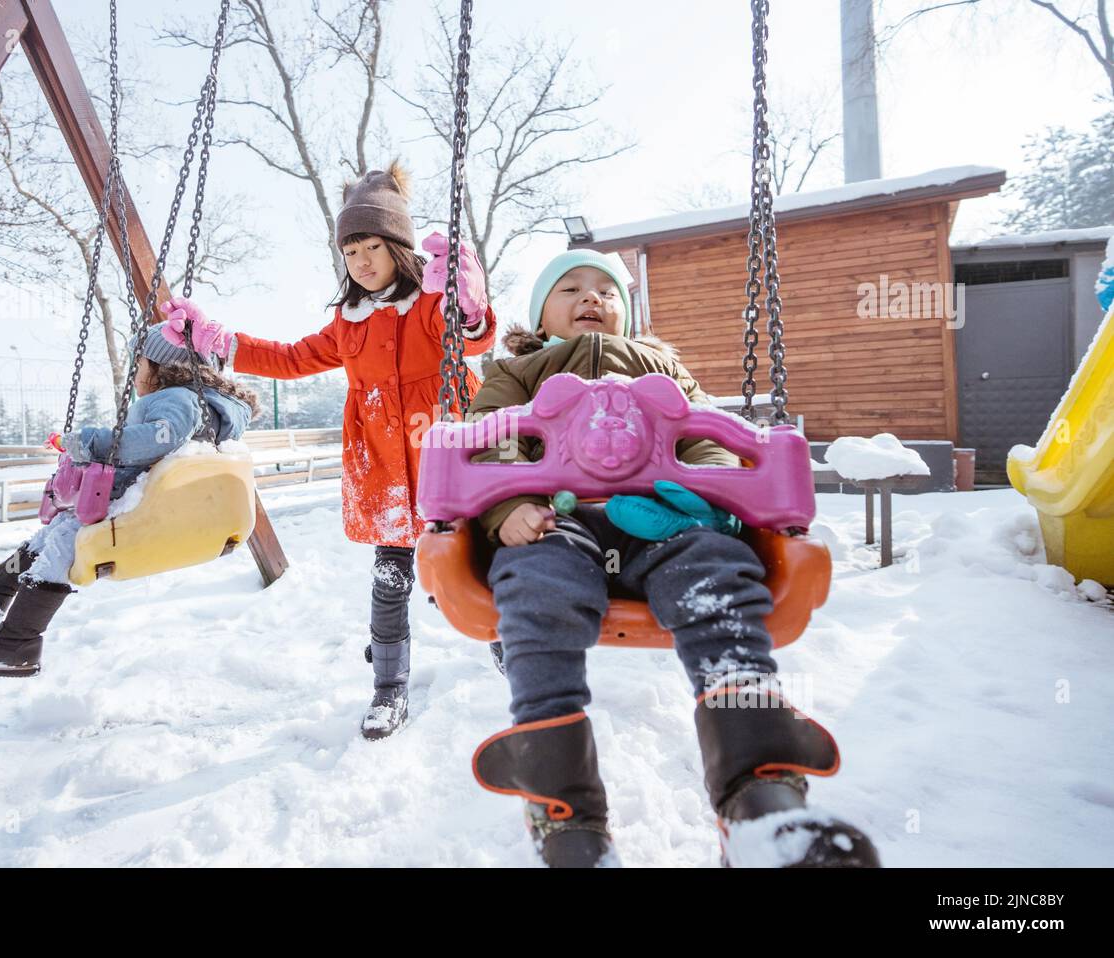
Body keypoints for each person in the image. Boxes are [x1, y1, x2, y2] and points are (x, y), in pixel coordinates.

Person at [465, 249, 879, 868]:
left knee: (715, 575)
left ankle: (758, 794)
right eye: (570, 288)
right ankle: (564, 810)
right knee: (534, 590)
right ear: (541, 316)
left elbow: (708, 437)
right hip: (558, 520)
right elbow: (491, 440)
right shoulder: (520, 369)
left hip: (662, 521)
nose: (591, 298)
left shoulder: (662, 367)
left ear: (626, 315)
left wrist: (714, 505)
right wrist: (509, 510)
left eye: (607, 291)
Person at [161, 161, 497, 738]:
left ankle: (512, 654)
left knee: (476, 564)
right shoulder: (349, 322)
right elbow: (288, 359)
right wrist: (219, 342)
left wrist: (467, 308)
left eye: (372, 246)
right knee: (390, 576)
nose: (362, 261)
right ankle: (390, 688)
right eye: (350, 251)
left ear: (399, 246)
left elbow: (476, 336)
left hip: (445, 458)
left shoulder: (430, 304)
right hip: (386, 467)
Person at [0, 322, 258, 677]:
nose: (134, 372)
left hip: (137, 511)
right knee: (53, 535)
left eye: (139, 362)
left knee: (59, 548)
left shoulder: (178, 399)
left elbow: (161, 438)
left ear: (162, 367)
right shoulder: (201, 402)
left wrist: (93, 443)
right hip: (142, 504)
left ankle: (15, 644)